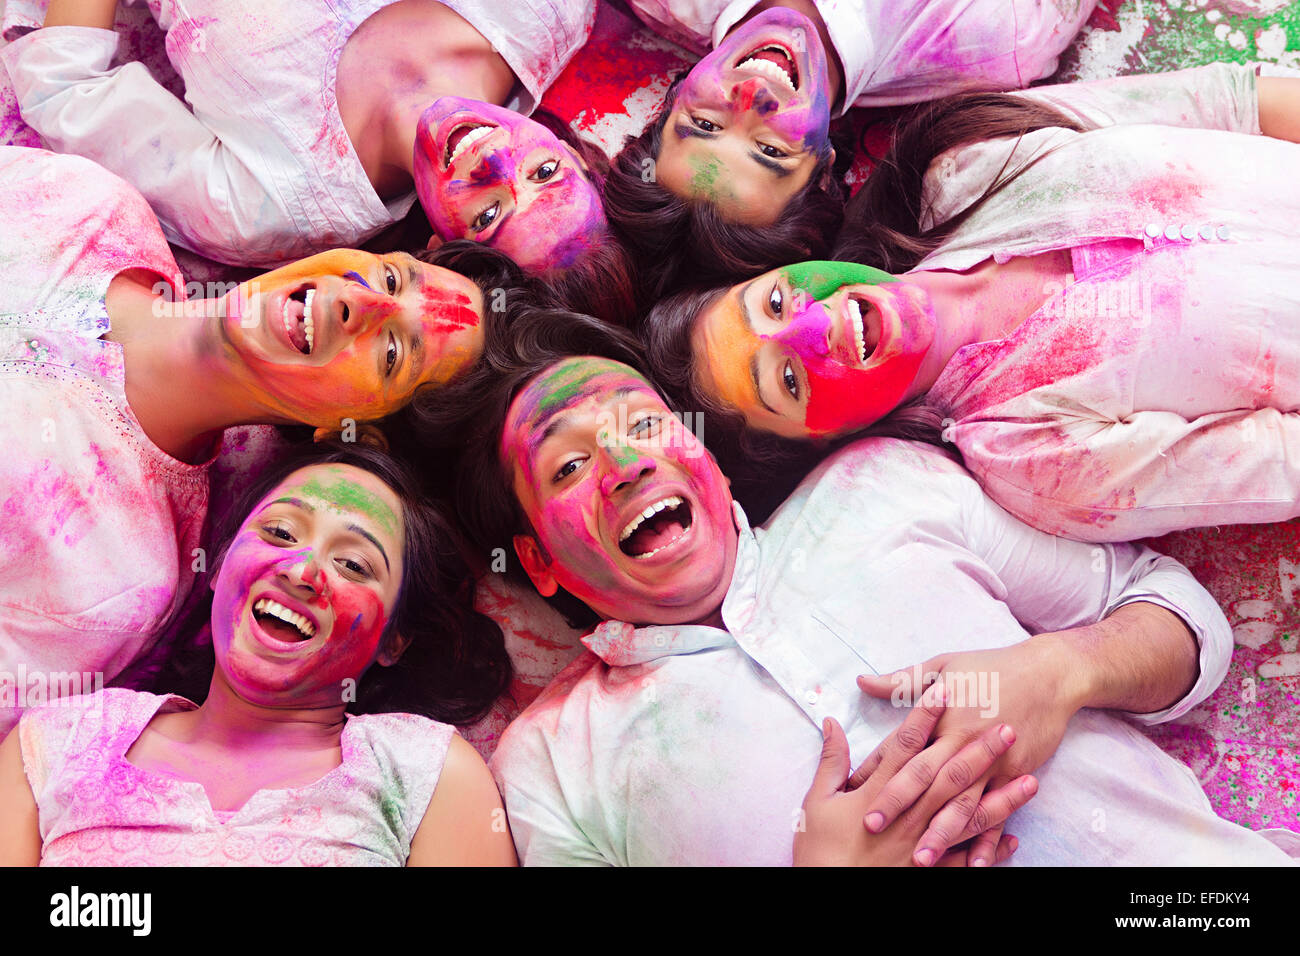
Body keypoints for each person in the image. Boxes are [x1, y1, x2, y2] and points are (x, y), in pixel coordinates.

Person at [451, 350, 1297, 865]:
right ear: (538, 563)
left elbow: (1181, 615)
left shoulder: (883, 485)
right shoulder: (549, 767)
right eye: (568, 468)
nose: (625, 466)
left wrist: (1059, 671)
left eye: (642, 425)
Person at [646, 62, 1300, 541]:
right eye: (787, 381)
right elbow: (1285, 464)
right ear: (826, 440)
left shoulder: (963, 158)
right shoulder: (1034, 459)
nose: (814, 326)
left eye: (776, 303)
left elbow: (1233, 101)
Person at [0, 146, 524, 731]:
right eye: (392, 277)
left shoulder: (116, 575)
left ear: (355, 431)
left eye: (393, 352)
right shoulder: (86, 203)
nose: (357, 300)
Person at [0, 442, 518, 866]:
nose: (301, 570)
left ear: (392, 640)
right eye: (281, 532)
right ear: (221, 563)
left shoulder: (426, 774)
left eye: (354, 565)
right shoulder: (57, 743)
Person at [0, 0, 616, 282]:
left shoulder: (270, 203)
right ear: (573, 151)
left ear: (441, 247)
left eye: (487, 216)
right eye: (543, 174)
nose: (494, 165)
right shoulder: (546, 12)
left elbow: (66, 88)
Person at [603, 1, 1096, 303]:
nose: (751, 96)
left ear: (668, 105)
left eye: (705, 124)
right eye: (770, 148)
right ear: (823, 171)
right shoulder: (1002, 37)